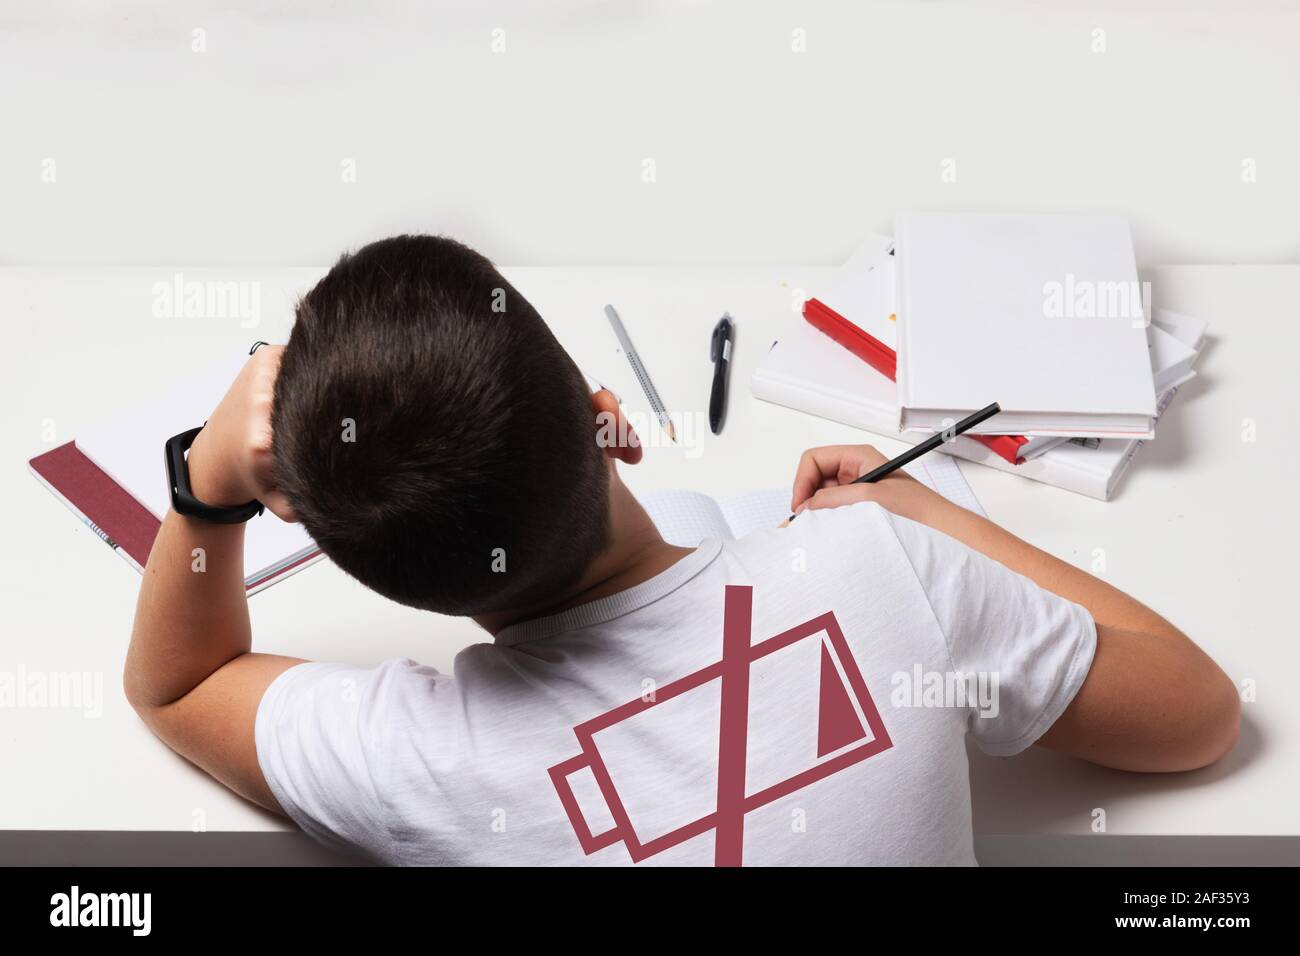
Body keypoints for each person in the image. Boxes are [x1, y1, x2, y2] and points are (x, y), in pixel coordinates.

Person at [123, 235, 1239, 865]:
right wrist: (926, 518)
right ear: (613, 420)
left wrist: (208, 486)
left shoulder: (425, 758)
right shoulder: (878, 574)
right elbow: (1196, 714)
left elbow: (180, 684)